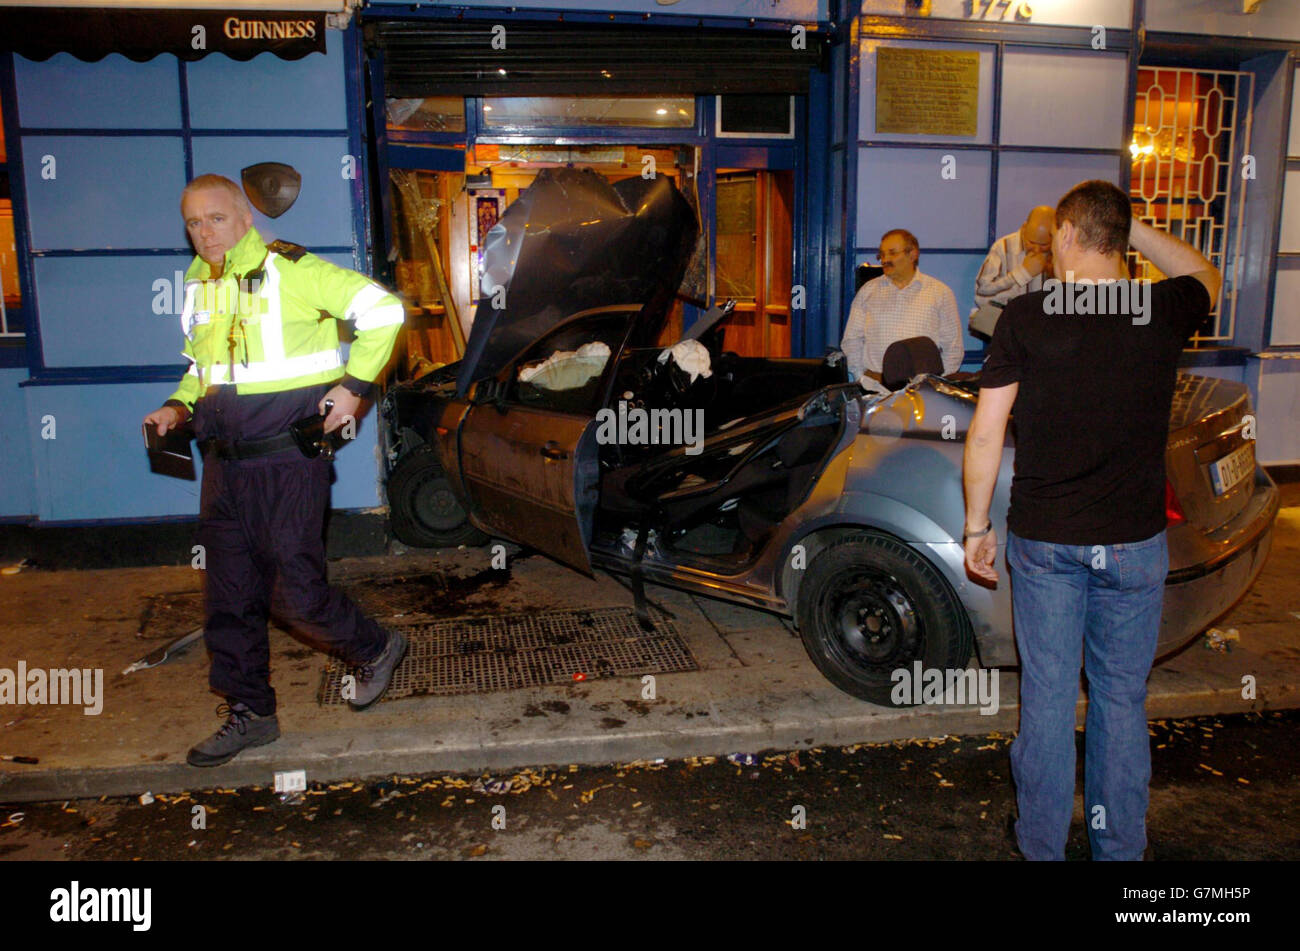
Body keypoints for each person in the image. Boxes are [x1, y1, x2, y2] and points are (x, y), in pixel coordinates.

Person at [962, 179, 1220, 860]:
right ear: (1121, 240)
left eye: (1056, 238)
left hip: (1048, 540)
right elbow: (1205, 273)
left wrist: (976, 527)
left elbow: (986, 433)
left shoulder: (1027, 314)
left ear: (1070, 236)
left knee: (1046, 700)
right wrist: (1132, 228)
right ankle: (1117, 849)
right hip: (1134, 545)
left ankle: (1042, 846)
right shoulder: (1159, 307)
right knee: (1118, 700)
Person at [143, 174, 408, 767]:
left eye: (215, 218)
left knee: (294, 594)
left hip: (288, 462)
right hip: (223, 466)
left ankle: (376, 646)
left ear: (244, 216)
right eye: (193, 222)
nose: (204, 232)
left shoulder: (290, 268)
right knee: (227, 597)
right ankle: (250, 713)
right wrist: (178, 405)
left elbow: (383, 310)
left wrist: (353, 389)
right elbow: (205, 368)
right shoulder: (198, 283)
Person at [840, 228, 963, 394]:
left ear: (912, 254)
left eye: (892, 253)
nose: (885, 260)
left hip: (924, 394)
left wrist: (936, 386)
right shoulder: (868, 291)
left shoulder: (939, 293)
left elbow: (953, 347)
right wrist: (861, 376)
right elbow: (851, 339)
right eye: (882, 254)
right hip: (874, 390)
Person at [969, 206, 1055, 338]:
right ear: (1024, 228)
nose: (1037, 249)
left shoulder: (1060, 253)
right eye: (1031, 242)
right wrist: (1021, 275)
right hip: (1007, 333)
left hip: (1044, 334)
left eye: (1044, 245)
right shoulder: (1003, 248)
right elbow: (981, 295)